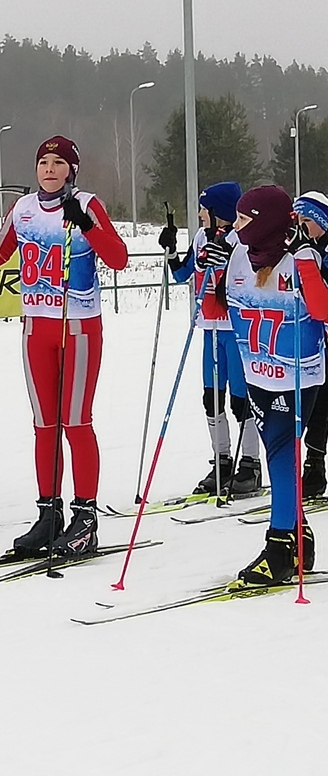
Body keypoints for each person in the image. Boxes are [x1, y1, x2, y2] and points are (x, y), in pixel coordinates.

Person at [0, 135, 128, 556]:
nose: (49, 169)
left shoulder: (87, 205)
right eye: (43, 162)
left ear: (72, 169)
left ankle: (85, 516)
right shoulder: (23, 209)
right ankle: (48, 515)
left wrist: (86, 225)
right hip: (37, 328)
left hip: (79, 328)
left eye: (58, 163)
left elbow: (119, 257)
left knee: (75, 422)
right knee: (44, 425)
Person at [222, 186, 328, 586]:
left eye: (245, 219)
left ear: (264, 221)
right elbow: (221, 310)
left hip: (297, 373)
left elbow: (322, 309)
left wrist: (304, 263)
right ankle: (299, 535)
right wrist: (206, 269)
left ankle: (280, 546)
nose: (237, 226)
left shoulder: (300, 257)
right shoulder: (238, 255)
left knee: (283, 455)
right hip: (258, 373)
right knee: (276, 456)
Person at [158, 181, 261, 497]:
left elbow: (252, 279)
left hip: (235, 330)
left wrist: (226, 261)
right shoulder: (202, 236)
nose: (200, 214)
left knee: (241, 401)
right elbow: (181, 273)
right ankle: (222, 461)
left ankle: (250, 465)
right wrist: (172, 249)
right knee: (211, 398)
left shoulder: (241, 241)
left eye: (205, 209)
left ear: (222, 213)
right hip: (209, 329)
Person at [292, 191, 328, 500]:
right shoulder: (311, 248)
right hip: (321, 342)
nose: (304, 229)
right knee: (319, 404)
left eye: (308, 222)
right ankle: (314, 465)